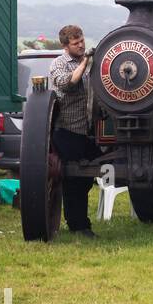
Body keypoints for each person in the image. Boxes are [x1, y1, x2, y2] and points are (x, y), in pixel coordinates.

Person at [48, 24, 99, 237]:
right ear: (65, 46)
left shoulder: (89, 62)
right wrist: (86, 61)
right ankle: (79, 226)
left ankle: (78, 220)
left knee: (88, 177)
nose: (81, 45)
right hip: (67, 131)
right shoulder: (58, 64)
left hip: (88, 130)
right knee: (75, 179)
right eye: (76, 43)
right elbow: (69, 83)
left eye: (82, 41)